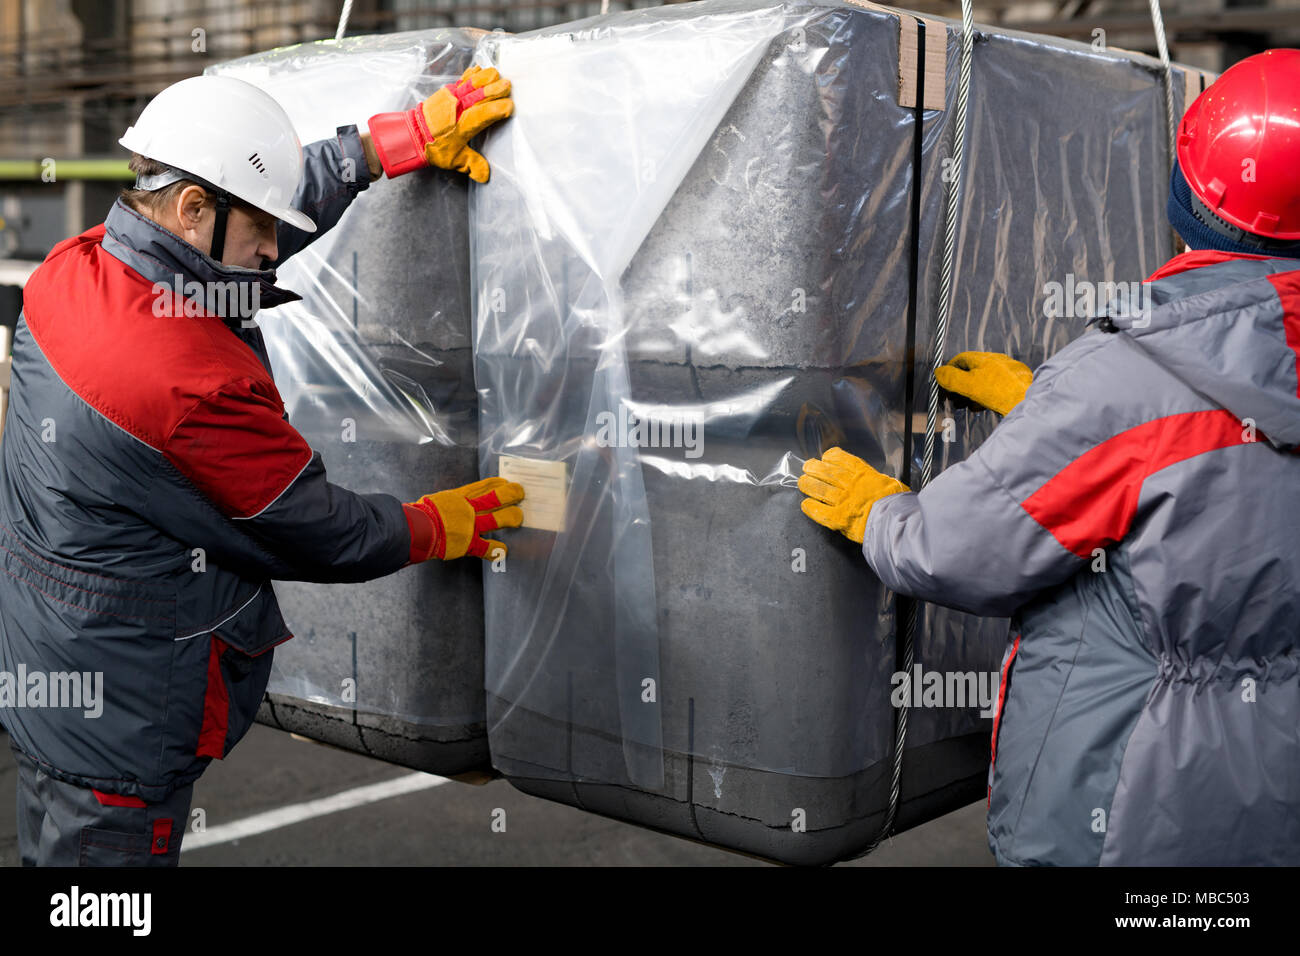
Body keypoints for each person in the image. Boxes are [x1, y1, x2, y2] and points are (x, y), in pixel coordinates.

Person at [0, 67, 520, 866]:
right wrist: (436, 524)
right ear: (191, 209)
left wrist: (390, 145)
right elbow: (314, 528)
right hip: (123, 720)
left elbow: (232, 234)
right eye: (263, 234)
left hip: (56, 663)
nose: (275, 253)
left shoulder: (81, 267)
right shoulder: (188, 383)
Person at [799, 49, 1300, 865]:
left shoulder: (1122, 380)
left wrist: (882, 514)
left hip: (1133, 803)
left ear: (1188, 193)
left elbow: (956, 551)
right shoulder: (1125, 390)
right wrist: (1056, 420)